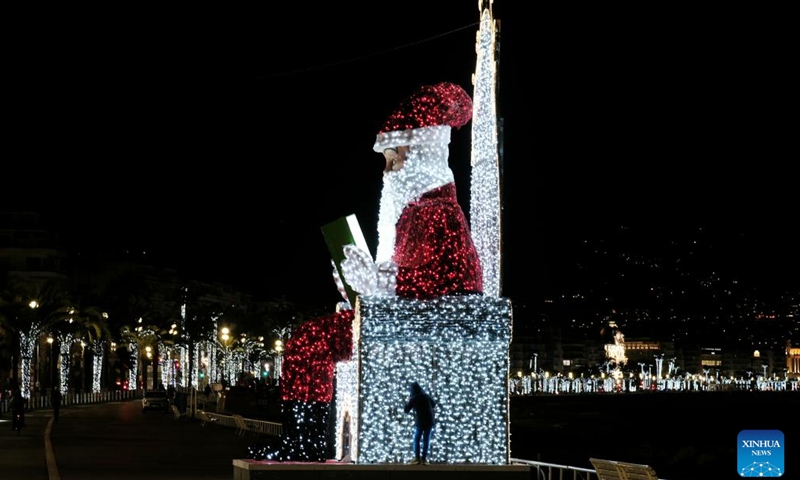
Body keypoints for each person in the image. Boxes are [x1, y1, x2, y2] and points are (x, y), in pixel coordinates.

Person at [266, 82, 481, 462]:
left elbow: (451, 284)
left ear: (419, 153)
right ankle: (303, 440)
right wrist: (355, 282)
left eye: (392, 158)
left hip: (420, 326)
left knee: (310, 341)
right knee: (306, 340)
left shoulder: (441, 213)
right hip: (397, 319)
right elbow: (406, 279)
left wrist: (378, 282)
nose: (387, 171)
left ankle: (305, 442)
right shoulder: (413, 213)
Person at [404, 382, 436, 465]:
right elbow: (433, 405)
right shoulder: (426, 396)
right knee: (426, 440)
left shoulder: (413, 398)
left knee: (416, 439)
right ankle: (424, 459)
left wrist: (407, 402)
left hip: (420, 422)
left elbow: (406, 410)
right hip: (429, 421)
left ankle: (417, 458)